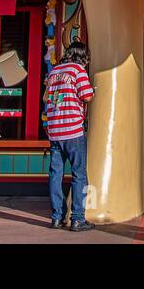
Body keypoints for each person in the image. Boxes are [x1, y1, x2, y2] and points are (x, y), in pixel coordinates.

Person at [43, 42, 94, 231]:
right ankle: (78, 218)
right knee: (79, 174)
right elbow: (87, 96)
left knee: (55, 175)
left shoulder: (55, 71)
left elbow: (49, 98)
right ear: (82, 56)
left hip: (55, 129)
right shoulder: (78, 70)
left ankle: (57, 217)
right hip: (73, 130)